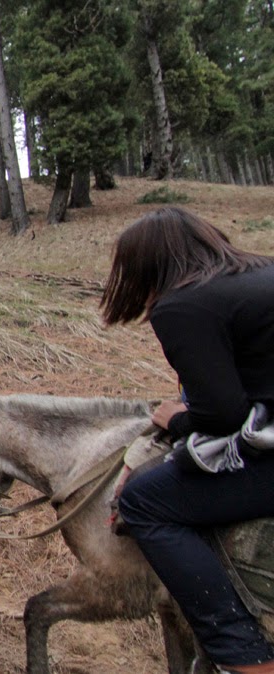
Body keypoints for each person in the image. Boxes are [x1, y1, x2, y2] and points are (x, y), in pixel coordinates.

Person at [101, 206, 274, 674]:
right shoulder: (261, 272)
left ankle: (242, 654)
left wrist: (177, 419)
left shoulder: (181, 306)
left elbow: (222, 416)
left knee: (144, 501)